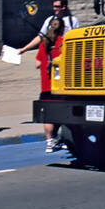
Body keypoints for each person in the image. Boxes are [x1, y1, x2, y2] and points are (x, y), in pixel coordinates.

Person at [38, 17, 67, 153]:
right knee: (62, 113)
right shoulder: (63, 43)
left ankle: (49, 142)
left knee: (48, 115)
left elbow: (38, 63)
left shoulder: (43, 44)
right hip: (59, 85)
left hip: (45, 85)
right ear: (62, 28)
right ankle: (61, 139)